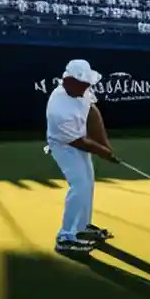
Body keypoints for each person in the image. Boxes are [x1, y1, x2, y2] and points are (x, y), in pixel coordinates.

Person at [45, 59, 117, 253]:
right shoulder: (58, 110)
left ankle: (82, 227)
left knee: (88, 182)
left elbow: (93, 113)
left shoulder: (81, 89)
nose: (85, 89)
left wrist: (105, 145)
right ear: (67, 80)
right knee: (79, 185)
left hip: (79, 138)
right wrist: (102, 152)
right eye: (82, 85)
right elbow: (79, 142)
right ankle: (66, 236)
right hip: (64, 146)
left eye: (88, 85)